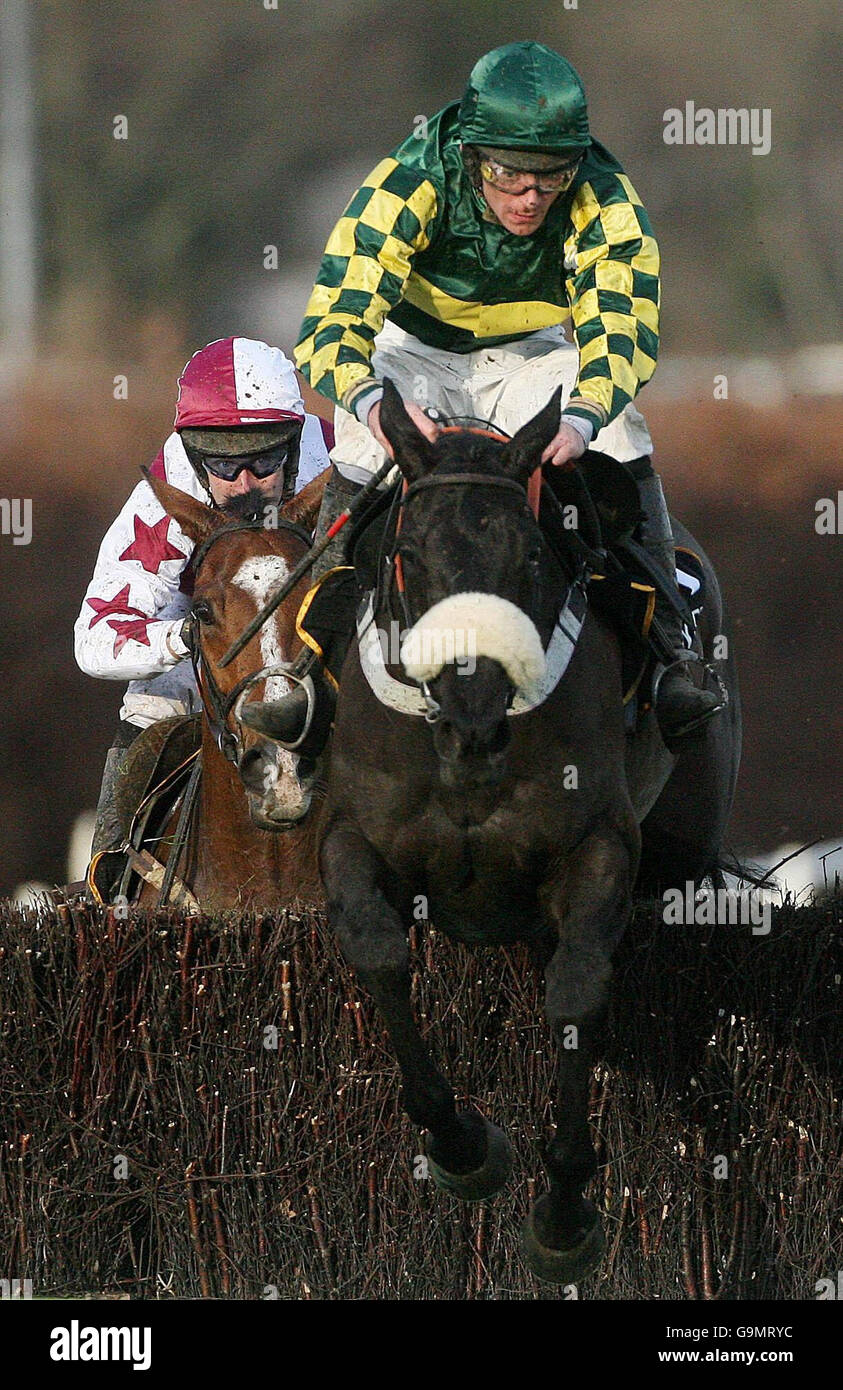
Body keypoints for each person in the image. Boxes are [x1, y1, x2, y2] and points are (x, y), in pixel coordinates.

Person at [283, 40, 722, 745]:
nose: (531, 198)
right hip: (414, 350)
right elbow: (331, 324)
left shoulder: (604, 196)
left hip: (530, 355)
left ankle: (672, 650)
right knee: (364, 436)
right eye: (511, 176)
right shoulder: (409, 180)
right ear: (469, 157)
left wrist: (582, 418)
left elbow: (621, 331)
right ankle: (300, 666)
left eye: (551, 179)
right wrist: (372, 401)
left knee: (622, 430)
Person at [74, 336, 334, 865]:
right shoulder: (164, 496)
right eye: (223, 466)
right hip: (199, 649)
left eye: (265, 463)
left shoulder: (340, 463)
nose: (245, 485)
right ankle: (113, 876)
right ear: (195, 456)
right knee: (152, 701)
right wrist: (190, 635)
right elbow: (94, 637)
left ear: (293, 441)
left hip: (312, 640)